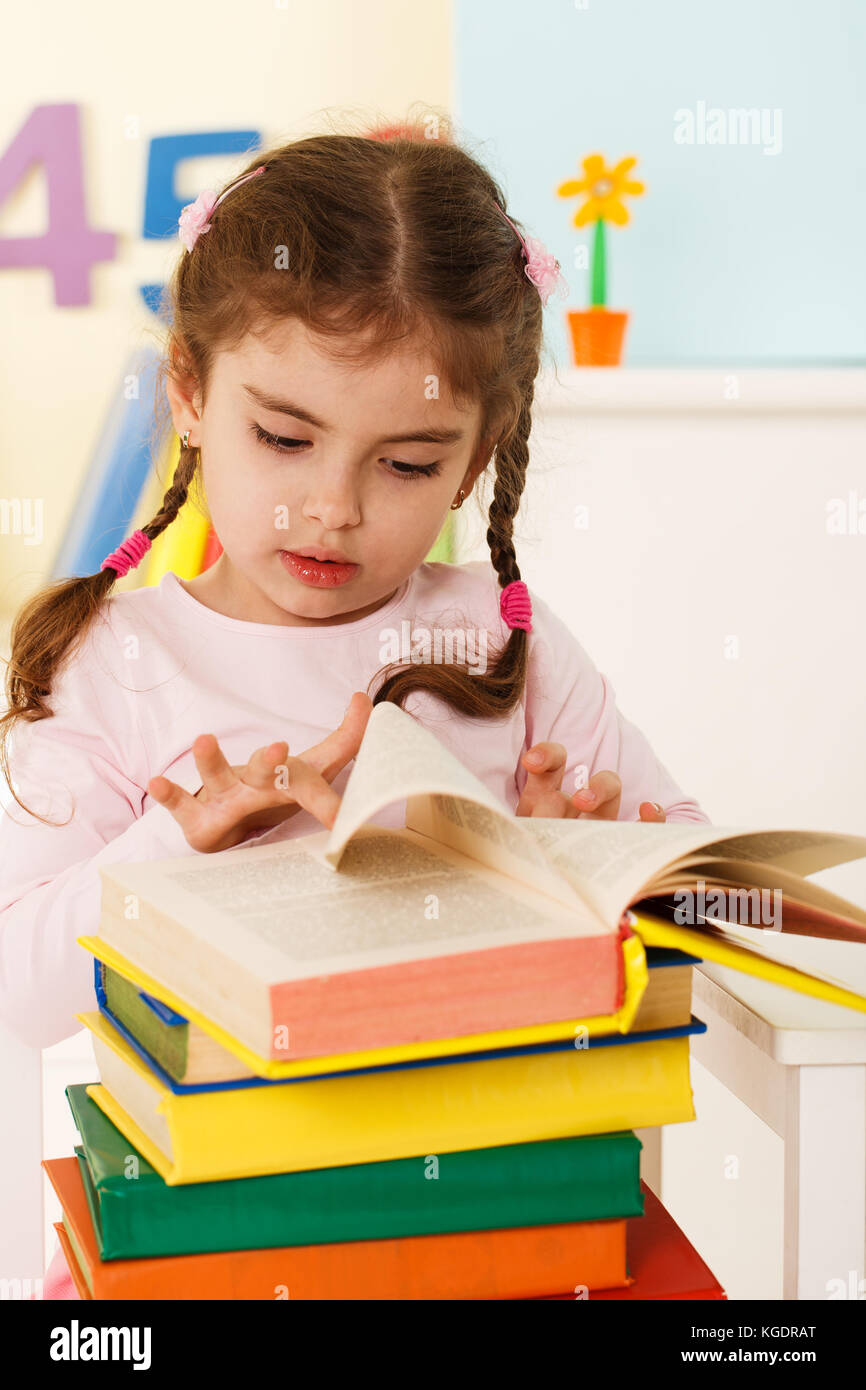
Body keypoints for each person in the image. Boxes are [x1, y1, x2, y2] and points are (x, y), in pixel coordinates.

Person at [1, 120, 709, 1297]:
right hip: (206, 1254)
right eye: (283, 437)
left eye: (407, 463)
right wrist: (174, 850)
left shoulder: (506, 647)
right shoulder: (119, 664)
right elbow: (17, 994)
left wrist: (573, 853)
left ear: (478, 457)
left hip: (496, 1239)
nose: (329, 508)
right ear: (188, 391)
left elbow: (693, 889)